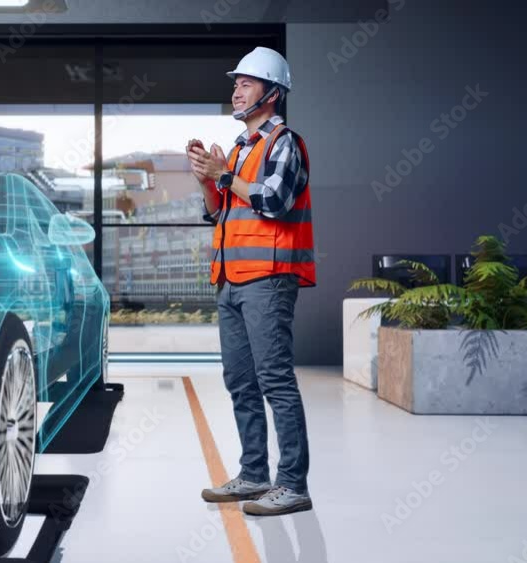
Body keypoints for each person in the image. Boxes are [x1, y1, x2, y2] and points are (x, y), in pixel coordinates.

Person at [186, 46, 316, 517]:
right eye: (235, 82)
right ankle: (254, 474)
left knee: (275, 381)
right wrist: (208, 178)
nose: (236, 89)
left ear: (272, 92)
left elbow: (272, 201)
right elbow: (219, 211)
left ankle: (292, 484)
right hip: (230, 279)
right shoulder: (239, 150)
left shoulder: (284, 142)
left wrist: (225, 175)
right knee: (240, 381)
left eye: (246, 82)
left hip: (267, 278)